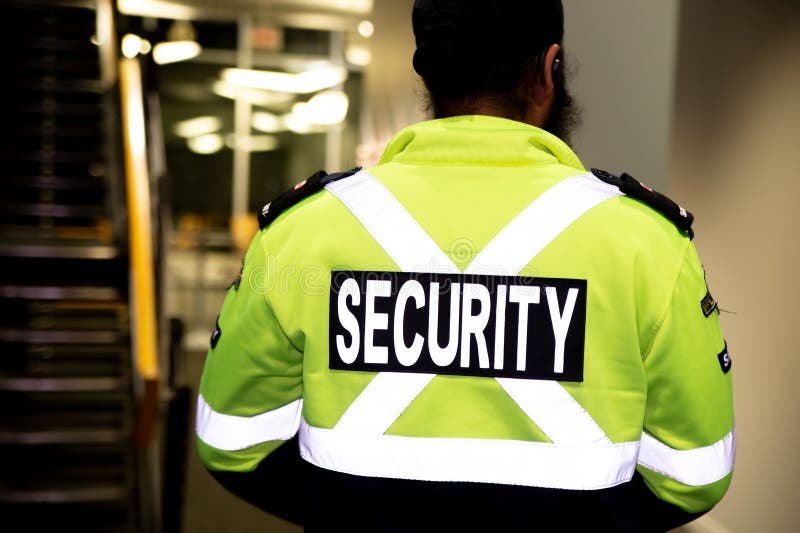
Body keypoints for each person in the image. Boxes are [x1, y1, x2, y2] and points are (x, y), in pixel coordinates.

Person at [195, 1, 735, 531]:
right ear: (550, 69)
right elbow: (694, 473)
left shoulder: (300, 231)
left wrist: (343, 512)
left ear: (427, 78)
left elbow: (231, 442)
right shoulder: (648, 242)